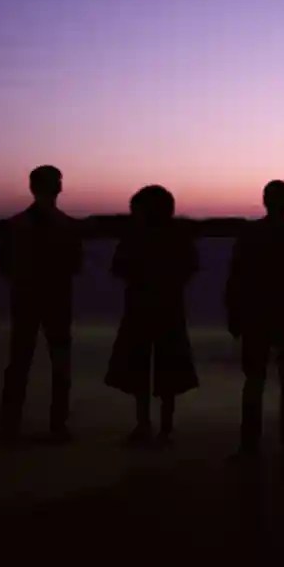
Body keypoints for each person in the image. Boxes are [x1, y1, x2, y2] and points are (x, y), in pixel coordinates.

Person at [225, 180, 284, 459]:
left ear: (265, 201)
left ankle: (250, 443)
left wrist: (235, 313)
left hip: (257, 316)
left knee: (254, 380)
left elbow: (236, 278)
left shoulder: (250, 235)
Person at [0, 165, 83, 444]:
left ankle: (22, 426)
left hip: (40, 300)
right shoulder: (55, 225)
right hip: (40, 300)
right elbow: (74, 264)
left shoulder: (27, 225)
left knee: (29, 363)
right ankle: (45, 426)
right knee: (34, 363)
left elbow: (4, 264)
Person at [105, 185, 200, 445]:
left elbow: (119, 267)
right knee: (160, 368)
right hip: (162, 308)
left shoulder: (138, 235)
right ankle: (159, 426)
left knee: (148, 368)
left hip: (146, 308)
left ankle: (148, 424)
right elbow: (190, 267)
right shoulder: (175, 235)